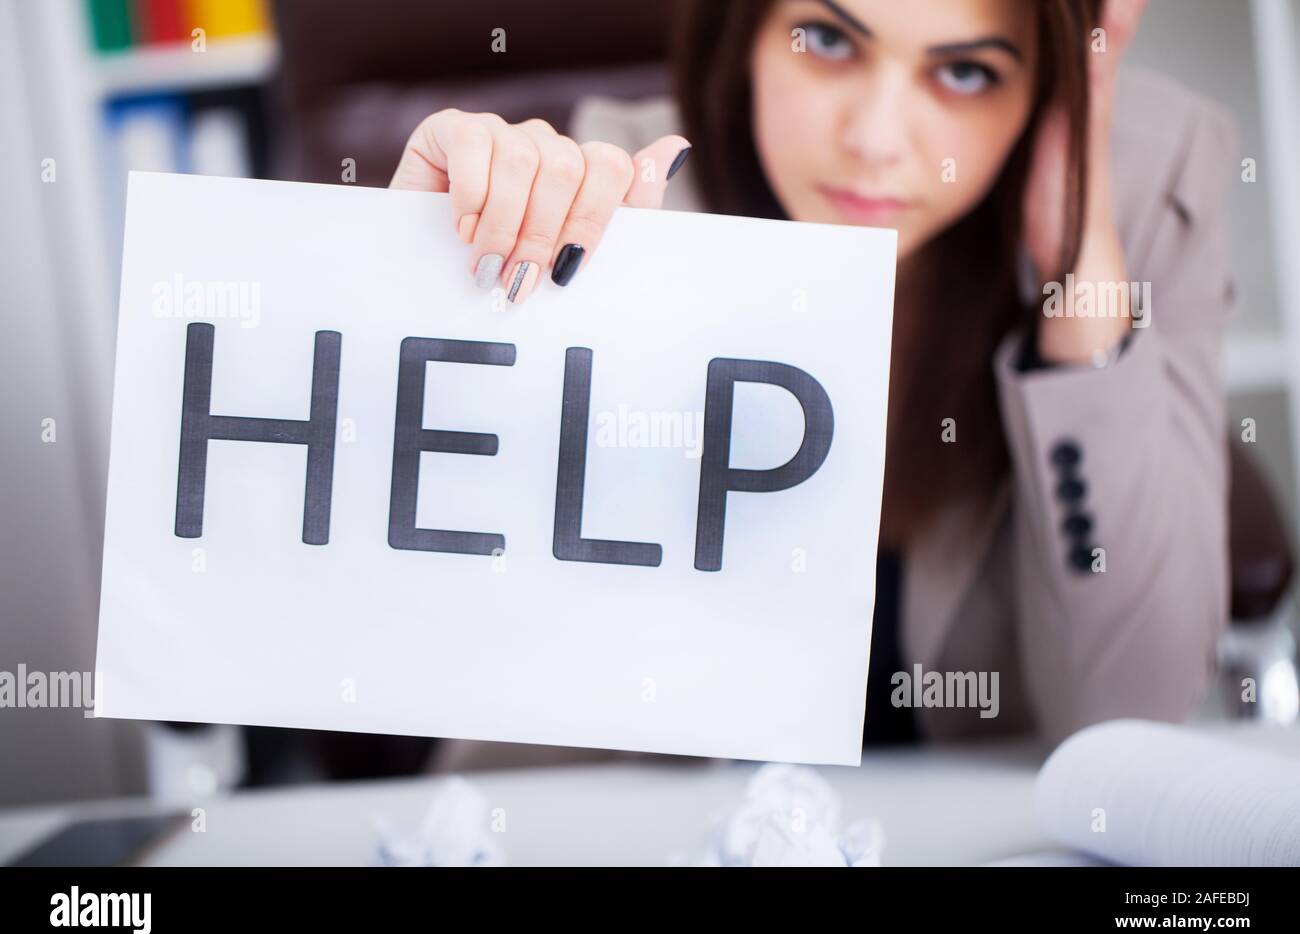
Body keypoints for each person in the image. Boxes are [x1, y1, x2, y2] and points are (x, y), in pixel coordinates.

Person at [389, 0, 1237, 765]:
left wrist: (1077, 264)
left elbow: (1132, 717)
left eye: (967, 72)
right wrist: (410, 282)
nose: (875, 137)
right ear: (744, 35)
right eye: (827, 41)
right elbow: (447, 657)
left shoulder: (1146, 184)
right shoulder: (619, 198)